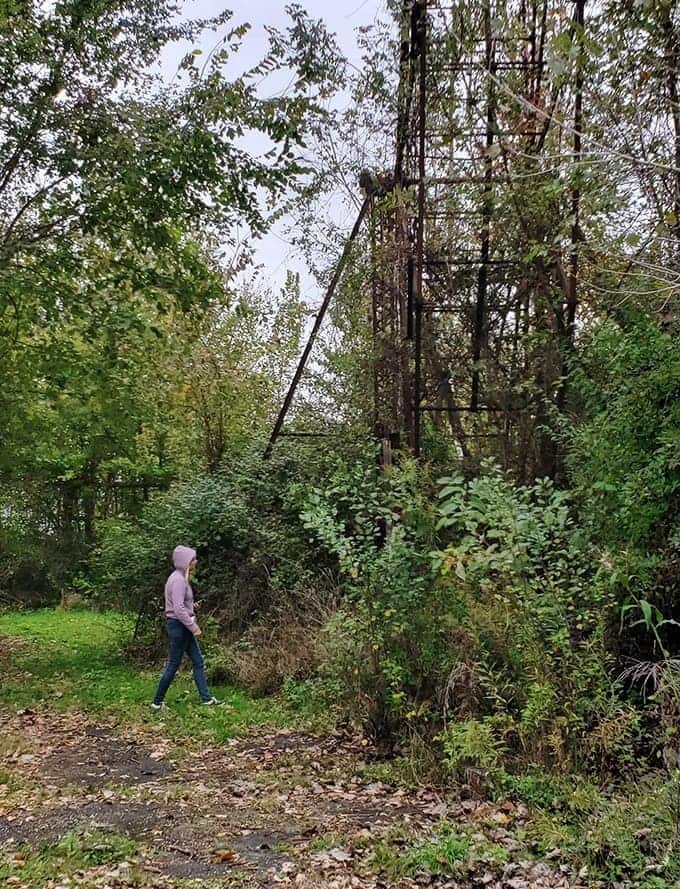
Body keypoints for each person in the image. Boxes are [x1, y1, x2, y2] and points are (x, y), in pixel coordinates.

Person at [151, 545, 222, 709]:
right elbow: (177, 609)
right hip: (180, 627)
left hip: (181, 625)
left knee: (198, 661)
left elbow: (181, 604)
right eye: (193, 559)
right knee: (174, 664)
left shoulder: (180, 578)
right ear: (185, 562)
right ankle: (157, 702)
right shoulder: (178, 581)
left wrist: (192, 607)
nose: (195, 562)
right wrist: (193, 627)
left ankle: (206, 699)